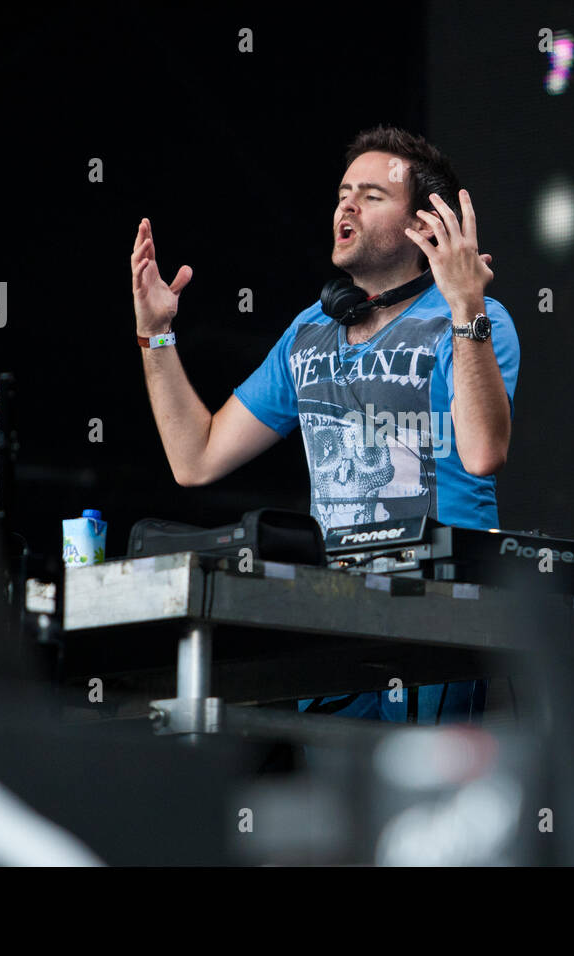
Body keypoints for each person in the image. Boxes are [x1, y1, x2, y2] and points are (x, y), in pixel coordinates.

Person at [130, 125, 520, 725]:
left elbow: (483, 453)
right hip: (330, 624)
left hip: (437, 624)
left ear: (424, 226)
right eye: (343, 192)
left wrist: (466, 307)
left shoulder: (476, 321)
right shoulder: (309, 331)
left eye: (371, 194)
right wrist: (156, 334)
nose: (346, 204)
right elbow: (196, 457)